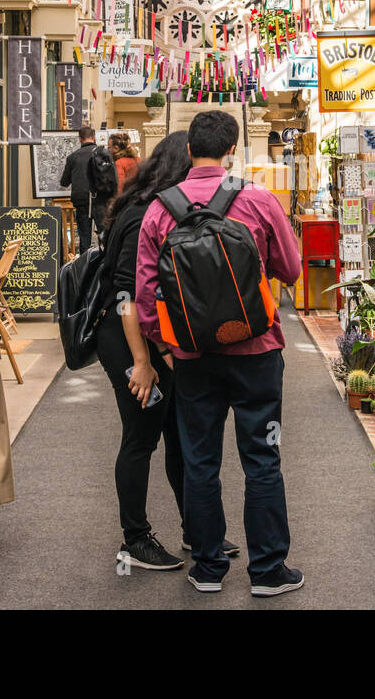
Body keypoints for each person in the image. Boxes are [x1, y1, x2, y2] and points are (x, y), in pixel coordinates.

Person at [135, 110, 305, 597]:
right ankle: (269, 571)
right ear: (232, 150)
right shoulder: (257, 199)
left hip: (193, 358)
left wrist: (169, 346)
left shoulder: (158, 209)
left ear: (189, 151)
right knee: (262, 459)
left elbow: (146, 297)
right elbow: (291, 270)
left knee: (200, 461)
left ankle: (208, 568)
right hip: (257, 351)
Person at [95, 131, 239, 571]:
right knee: (141, 436)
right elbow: (126, 297)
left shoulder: (155, 207)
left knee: (178, 436)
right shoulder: (144, 215)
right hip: (126, 337)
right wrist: (142, 362)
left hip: (155, 340)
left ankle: (196, 530)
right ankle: (134, 540)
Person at [60, 125, 109, 252]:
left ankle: (84, 266)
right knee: (105, 235)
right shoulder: (103, 154)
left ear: (80, 139)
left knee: (84, 237)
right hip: (100, 200)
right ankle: (105, 263)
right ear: (94, 137)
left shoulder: (73, 157)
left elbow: (64, 182)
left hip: (81, 200)